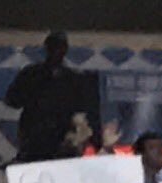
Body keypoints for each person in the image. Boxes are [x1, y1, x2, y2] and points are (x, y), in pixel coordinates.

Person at [6, 34, 99, 162]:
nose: (57, 51)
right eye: (54, 47)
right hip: (33, 138)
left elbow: (82, 113)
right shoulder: (30, 74)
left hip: (61, 142)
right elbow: (12, 100)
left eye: (60, 48)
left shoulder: (74, 79)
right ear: (47, 49)